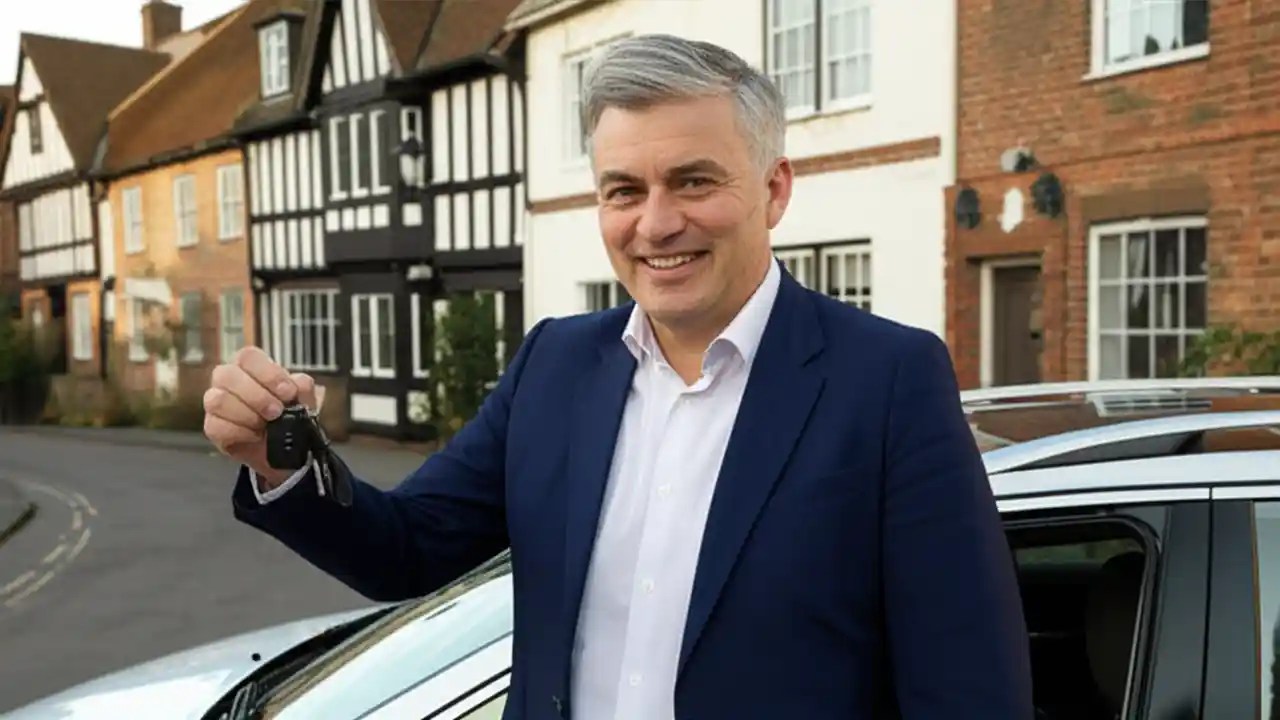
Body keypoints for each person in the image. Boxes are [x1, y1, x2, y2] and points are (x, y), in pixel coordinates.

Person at [204, 34, 1033, 720]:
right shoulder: (555, 364)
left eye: (694, 181)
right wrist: (283, 465)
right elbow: (409, 551)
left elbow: (967, 687)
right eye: (623, 191)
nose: (656, 223)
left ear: (774, 189)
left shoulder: (888, 381)